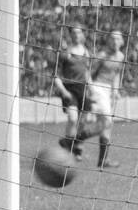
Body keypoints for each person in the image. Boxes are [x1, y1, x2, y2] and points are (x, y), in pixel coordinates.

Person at [52, 27, 94, 159]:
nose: (76, 35)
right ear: (70, 35)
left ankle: (76, 148)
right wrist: (63, 91)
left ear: (83, 34)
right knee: (73, 118)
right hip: (69, 89)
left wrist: (92, 89)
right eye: (74, 32)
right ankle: (68, 149)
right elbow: (55, 75)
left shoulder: (87, 53)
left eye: (79, 32)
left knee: (82, 122)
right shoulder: (65, 53)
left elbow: (87, 73)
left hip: (83, 89)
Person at [90, 30, 125, 168]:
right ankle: (74, 141)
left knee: (105, 126)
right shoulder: (102, 56)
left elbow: (116, 74)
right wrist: (90, 90)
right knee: (107, 122)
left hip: (108, 91)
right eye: (113, 39)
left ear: (122, 41)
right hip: (97, 87)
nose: (115, 42)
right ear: (108, 41)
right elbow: (89, 73)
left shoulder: (121, 56)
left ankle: (103, 160)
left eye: (118, 39)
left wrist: (115, 91)